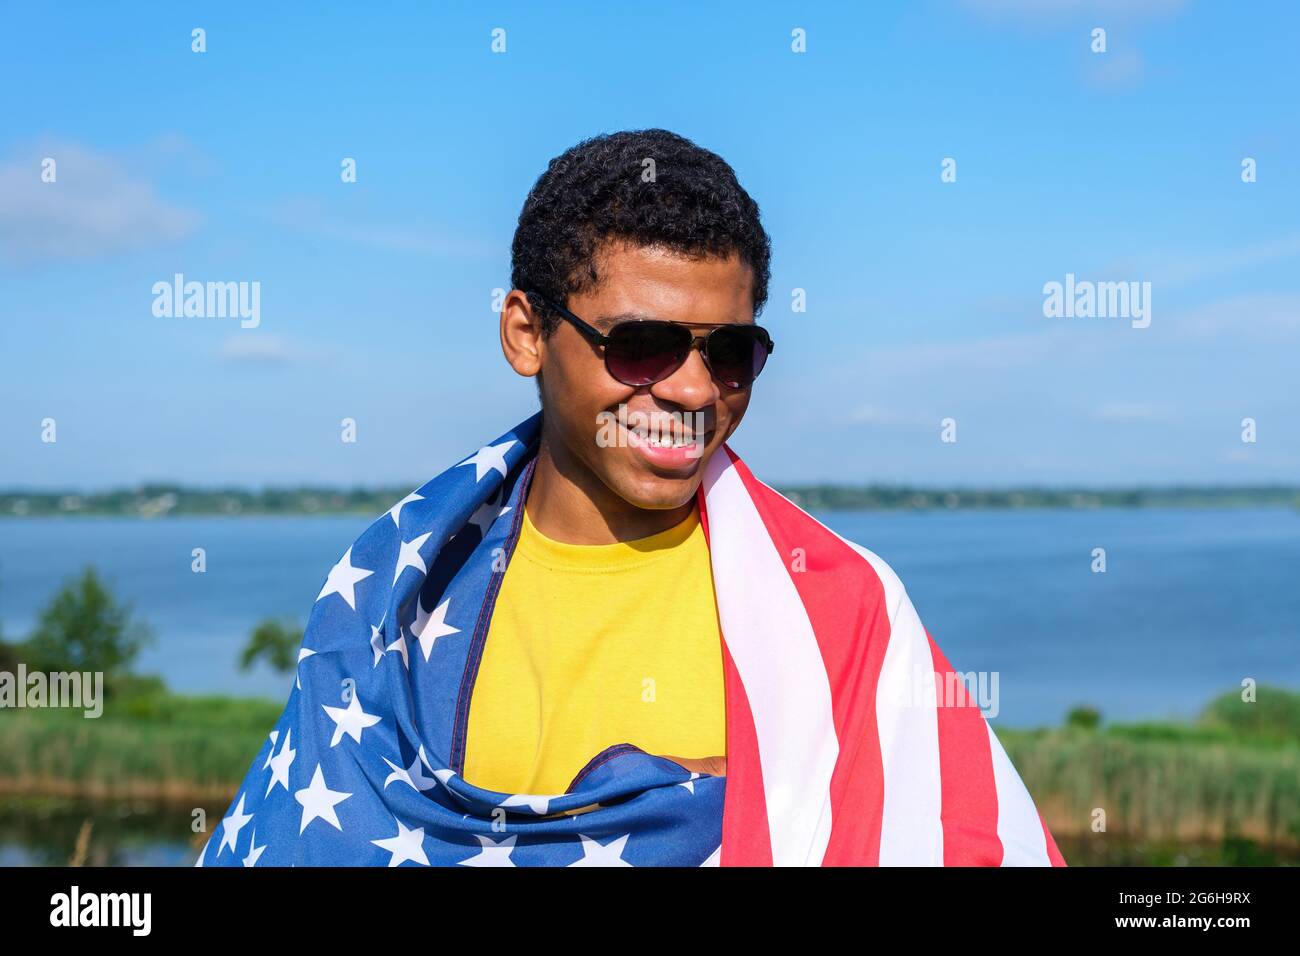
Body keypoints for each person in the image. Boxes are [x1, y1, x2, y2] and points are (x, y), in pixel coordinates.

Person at [199, 129, 1065, 867]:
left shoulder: (843, 614)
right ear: (527, 334)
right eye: (642, 345)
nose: (693, 392)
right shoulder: (384, 597)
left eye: (729, 351)